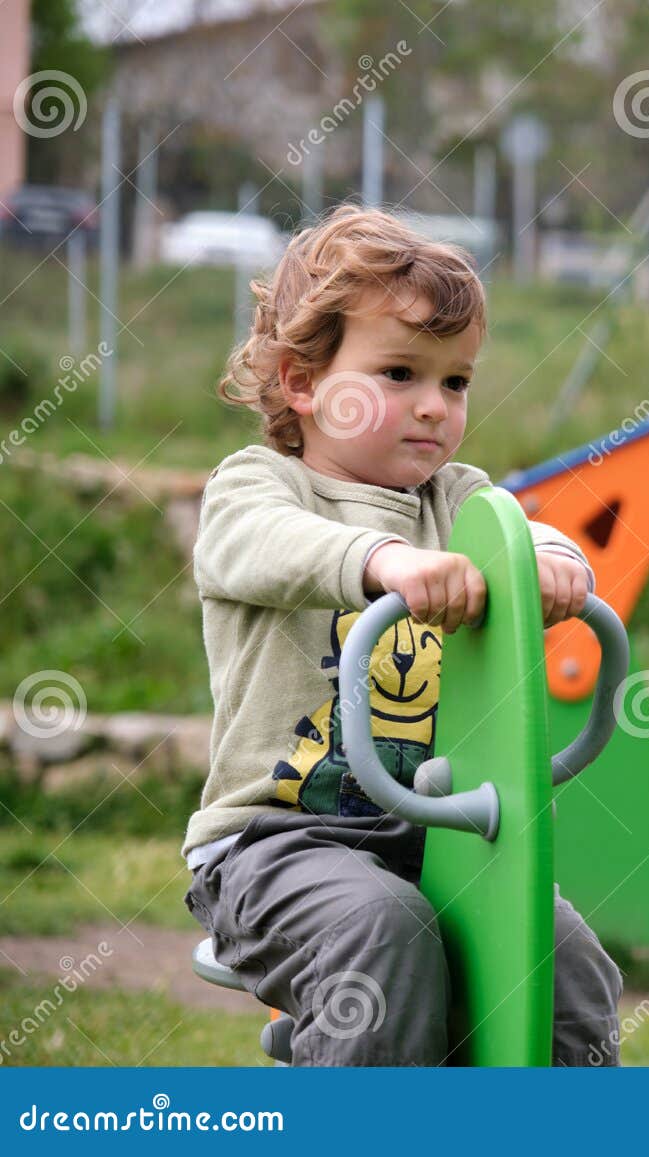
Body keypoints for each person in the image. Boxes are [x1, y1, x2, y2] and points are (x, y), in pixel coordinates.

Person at [181, 204, 623, 1066]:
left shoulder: (456, 500)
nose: (433, 407)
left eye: (455, 382)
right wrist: (384, 560)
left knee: (569, 965)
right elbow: (258, 548)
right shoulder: (259, 487)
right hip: (275, 844)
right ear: (303, 380)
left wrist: (555, 561)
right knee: (383, 932)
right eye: (398, 373)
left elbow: (521, 534)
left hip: (438, 839)